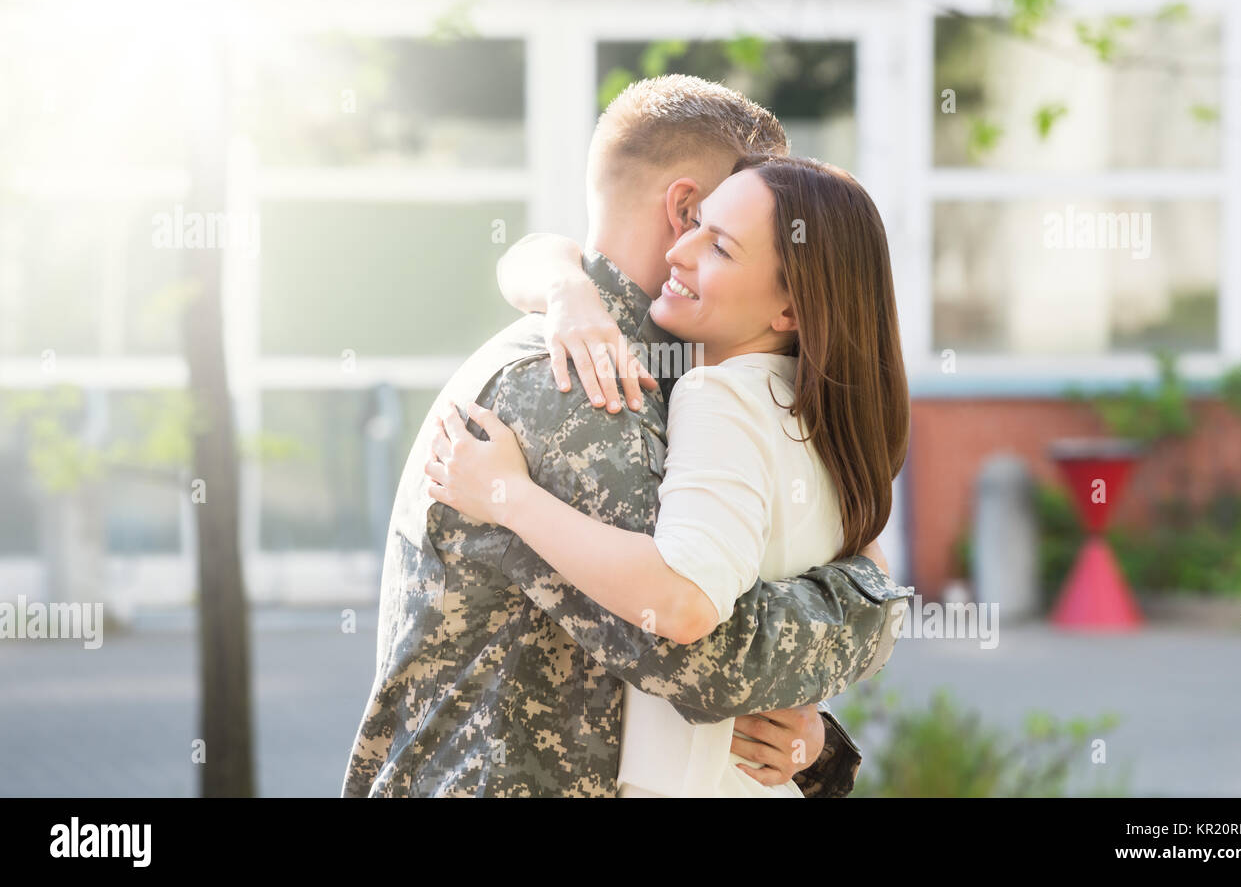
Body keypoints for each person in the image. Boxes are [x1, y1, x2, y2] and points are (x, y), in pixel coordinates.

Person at [341, 75, 912, 798]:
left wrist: (811, 740)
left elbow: (747, 582)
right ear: (685, 208)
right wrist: (873, 610)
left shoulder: (685, 371)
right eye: (724, 214)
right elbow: (699, 647)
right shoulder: (577, 383)